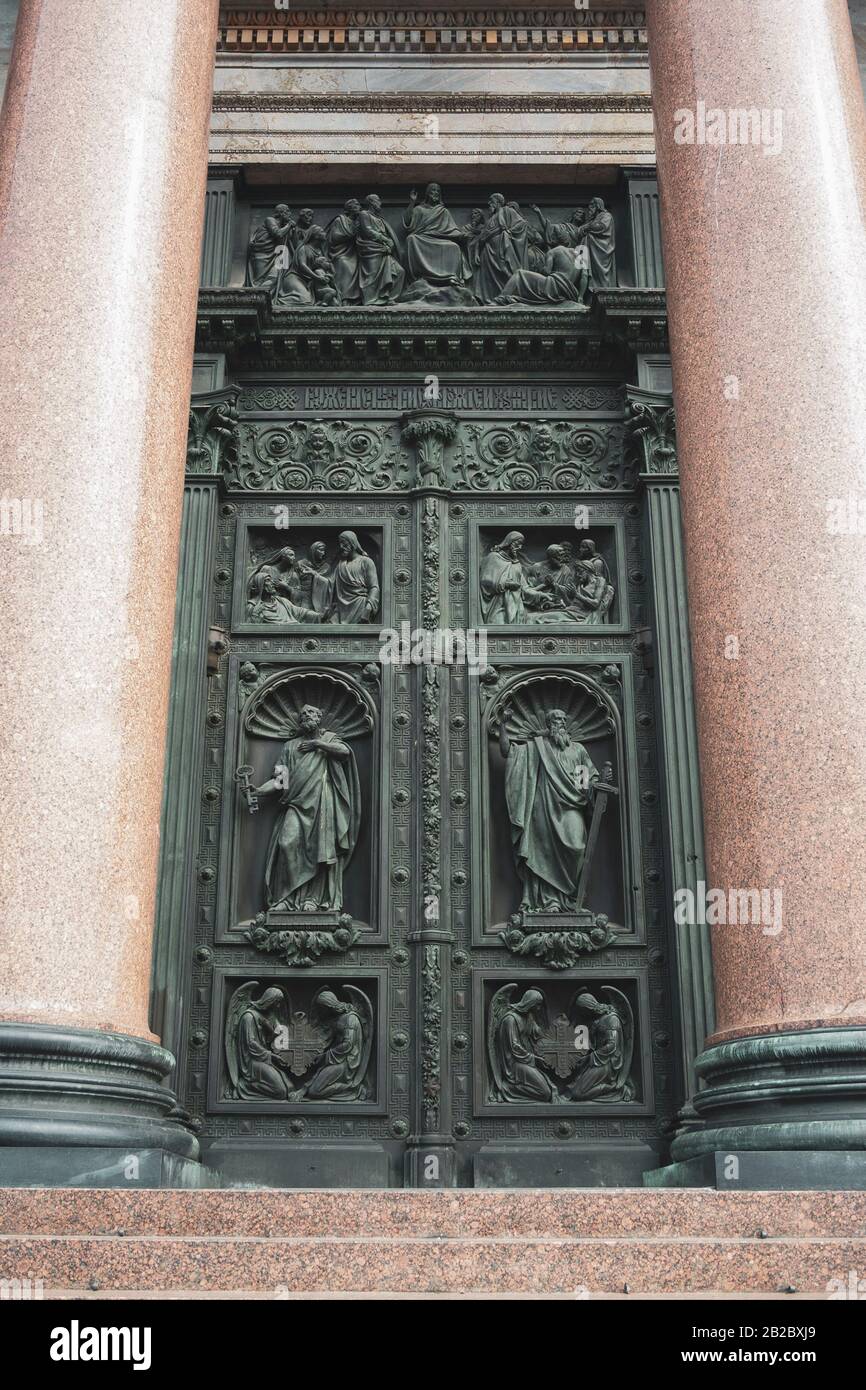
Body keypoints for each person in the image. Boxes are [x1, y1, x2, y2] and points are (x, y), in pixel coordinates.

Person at [252, 704, 361, 913]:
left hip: (322, 803)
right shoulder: (290, 747)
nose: (305, 716)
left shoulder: (329, 740)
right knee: (287, 843)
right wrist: (258, 790)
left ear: (319, 717)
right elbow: (280, 781)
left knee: (320, 850)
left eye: (311, 712)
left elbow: (344, 752)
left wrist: (317, 745)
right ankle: (286, 897)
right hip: (296, 804)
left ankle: (312, 899)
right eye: (302, 714)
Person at [500, 707, 599, 912]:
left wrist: (596, 785)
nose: (561, 723)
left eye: (563, 719)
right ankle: (549, 901)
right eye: (556, 720)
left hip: (572, 805)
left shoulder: (578, 750)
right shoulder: (536, 748)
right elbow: (507, 752)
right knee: (542, 853)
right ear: (548, 724)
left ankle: (571, 901)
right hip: (543, 808)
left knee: (576, 846)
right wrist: (502, 725)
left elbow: (587, 780)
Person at [491, 989, 557, 1102]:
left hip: (526, 1061)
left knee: (548, 1090)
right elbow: (514, 1048)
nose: (539, 1008)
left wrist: (556, 1046)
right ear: (529, 1003)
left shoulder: (529, 1017)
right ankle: (505, 1089)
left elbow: (539, 1035)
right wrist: (535, 1059)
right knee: (545, 1093)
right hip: (514, 1064)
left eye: (540, 1005)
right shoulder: (510, 1019)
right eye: (537, 1005)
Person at [402, 183, 472, 288]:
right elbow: (408, 223)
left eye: (437, 191)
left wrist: (462, 235)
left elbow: (452, 229)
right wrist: (412, 202)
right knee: (411, 239)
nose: (435, 193)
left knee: (455, 247)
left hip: (439, 239)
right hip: (423, 238)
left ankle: (451, 277)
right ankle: (420, 276)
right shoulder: (419, 209)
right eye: (433, 190)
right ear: (427, 193)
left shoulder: (443, 212)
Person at [479, 531, 553, 624]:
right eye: (518, 544)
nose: (520, 547)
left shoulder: (516, 564)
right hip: (498, 607)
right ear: (509, 542)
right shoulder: (493, 557)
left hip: (516, 609)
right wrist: (507, 584)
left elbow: (524, 589)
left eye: (521, 545)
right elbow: (485, 582)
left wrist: (541, 594)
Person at [473, 193, 529, 301]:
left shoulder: (507, 211)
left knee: (505, 270)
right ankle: (490, 299)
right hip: (487, 252)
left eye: (491, 201)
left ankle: (512, 294)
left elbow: (522, 223)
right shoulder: (490, 220)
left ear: (498, 202)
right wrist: (476, 253)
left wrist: (509, 232)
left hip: (501, 248)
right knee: (488, 278)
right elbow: (480, 238)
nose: (489, 203)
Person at [356, 194, 405, 304]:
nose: (380, 203)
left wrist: (389, 244)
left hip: (384, 250)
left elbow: (387, 235)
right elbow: (367, 231)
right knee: (372, 275)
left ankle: (388, 297)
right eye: (378, 200)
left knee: (400, 272)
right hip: (370, 249)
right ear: (372, 202)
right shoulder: (364, 214)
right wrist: (385, 239)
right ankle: (370, 301)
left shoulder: (380, 219)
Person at [329, 531, 380, 623]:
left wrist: (368, 608)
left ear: (352, 543)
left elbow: (374, 587)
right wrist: (314, 574)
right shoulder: (341, 564)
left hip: (359, 606)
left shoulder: (366, 562)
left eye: (344, 543)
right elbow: (329, 583)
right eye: (340, 543)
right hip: (341, 609)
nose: (341, 547)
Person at [245, 204, 295, 291]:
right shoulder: (270, 220)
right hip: (261, 254)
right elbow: (278, 234)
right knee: (259, 281)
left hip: (273, 255)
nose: (290, 214)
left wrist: (290, 229)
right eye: (287, 211)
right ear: (281, 213)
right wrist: (289, 225)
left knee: (274, 277)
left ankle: (263, 295)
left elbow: (286, 241)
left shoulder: (283, 226)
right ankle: (256, 298)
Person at [326, 198, 362, 303]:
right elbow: (334, 237)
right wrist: (351, 234)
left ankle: (357, 299)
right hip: (340, 253)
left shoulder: (359, 221)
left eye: (359, 205)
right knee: (346, 265)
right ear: (348, 209)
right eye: (356, 206)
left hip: (354, 253)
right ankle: (344, 298)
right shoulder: (340, 220)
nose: (359, 207)